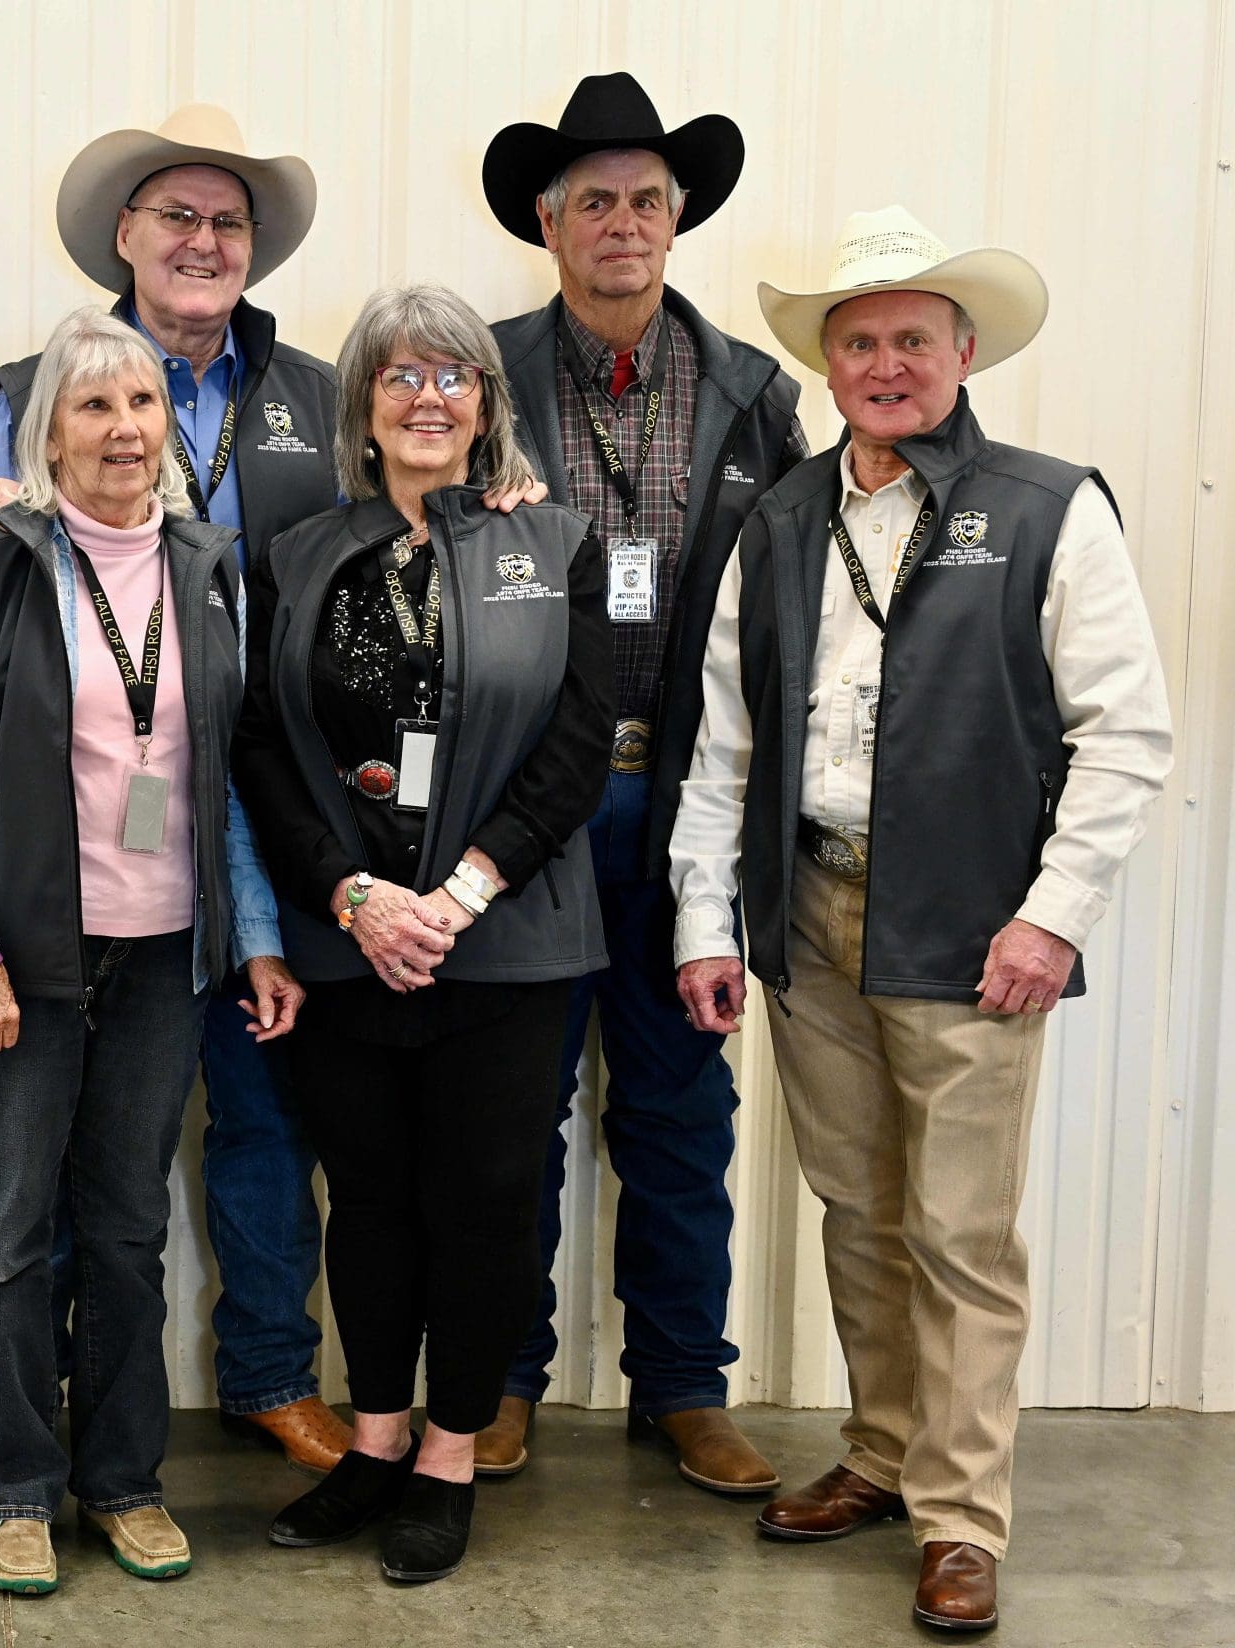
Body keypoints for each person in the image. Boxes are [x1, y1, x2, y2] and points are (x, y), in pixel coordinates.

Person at [671, 208, 1172, 1633]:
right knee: (859, 1212)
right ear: (826, 365)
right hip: (811, 908)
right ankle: (884, 1453)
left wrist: (1051, 919)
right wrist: (708, 920)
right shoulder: (780, 520)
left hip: (970, 927)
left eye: (910, 338)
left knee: (961, 1233)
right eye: (858, 341)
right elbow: (723, 740)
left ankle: (961, 1517)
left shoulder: (1048, 507)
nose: (884, 364)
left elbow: (1126, 734)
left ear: (963, 351)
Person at [0, 102, 350, 1473]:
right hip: (72, 841)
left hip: (260, 811)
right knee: (59, 1147)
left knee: (265, 1113)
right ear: (123, 235)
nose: (202, 240)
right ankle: (35, 1406)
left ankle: (269, 1374)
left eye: (227, 221)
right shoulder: (32, 386)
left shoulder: (316, 396)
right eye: (176, 215)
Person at [0, 307, 303, 1594]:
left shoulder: (206, 567)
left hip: (164, 958)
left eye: (142, 405)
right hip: (16, 965)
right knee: (8, 1234)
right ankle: (14, 1484)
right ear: (49, 436)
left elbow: (222, 781)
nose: (125, 430)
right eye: (94, 406)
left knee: (127, 1232)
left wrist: (257, 938)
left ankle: (123, 1479)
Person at [230, 284, 611, 1582]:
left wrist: (457, 897)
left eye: (454, 376)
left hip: (504, 944)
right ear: (363, 407)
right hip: (349, 943)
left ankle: (450, 1455)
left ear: (487, 403)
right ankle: (376, 1441)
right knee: (369, 1201)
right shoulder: (298, 552)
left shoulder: (555, 543)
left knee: (485, 1203)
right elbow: (260, 742)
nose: (428, 397)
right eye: (400, 376)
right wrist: (351, 896)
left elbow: (579, 743)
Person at [474, 70, 807, 1490]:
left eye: (647, 201)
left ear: (677, 223)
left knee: (679, 1113)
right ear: (548, 224)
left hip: (685, 813)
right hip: (527, 811)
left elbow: (791, 603)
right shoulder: (481, 375)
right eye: (596, 201)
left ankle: (681, 1386)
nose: (623, 223)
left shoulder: (753, 395)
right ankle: (498, 1381)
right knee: (511, 1117)